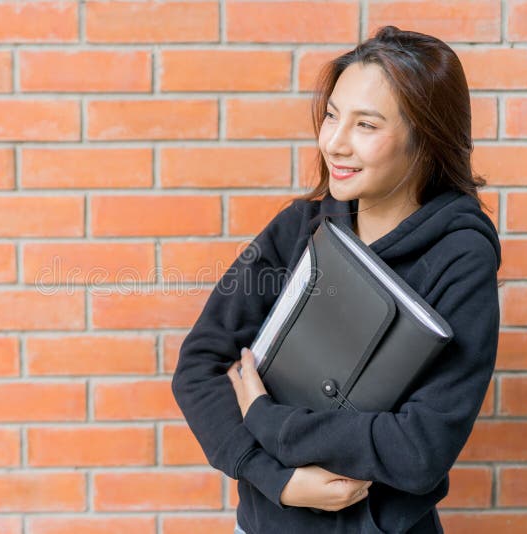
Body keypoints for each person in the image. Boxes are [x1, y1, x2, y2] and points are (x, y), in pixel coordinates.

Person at [171, 25, 501, 534]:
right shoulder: (296, 229)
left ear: (426, 138)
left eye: (366, 125)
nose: (334, 142)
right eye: (331, 115)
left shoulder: (461, 259)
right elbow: (200, 365)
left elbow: (419, 449)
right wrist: (272, 476)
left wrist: (267, 419)